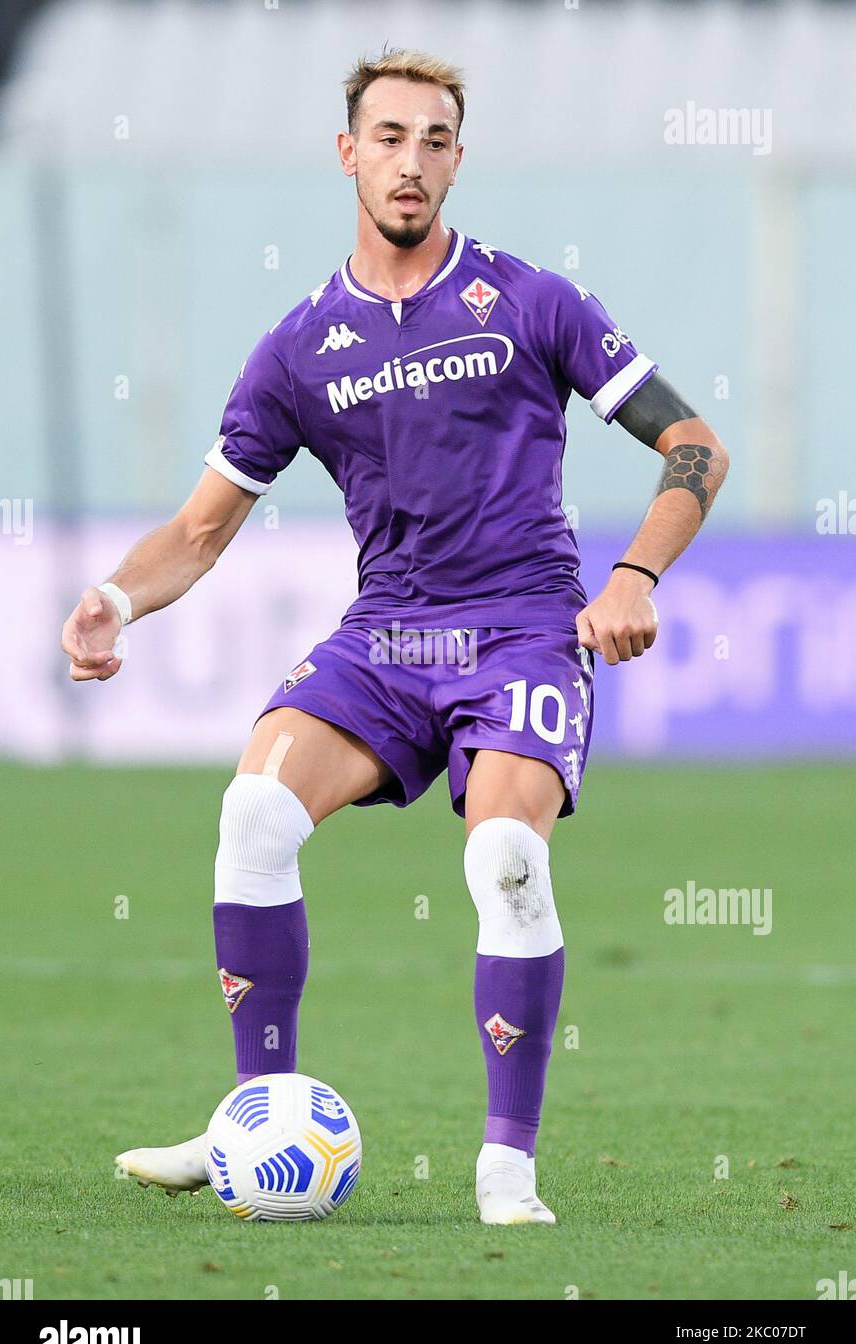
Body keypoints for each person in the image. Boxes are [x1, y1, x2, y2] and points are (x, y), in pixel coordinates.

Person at [61, 48, 728, 1224]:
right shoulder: (301, 346)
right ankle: (256, 1122)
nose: (410, 161)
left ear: (458, 160)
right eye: (388, 137)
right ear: (347, 152)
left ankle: (505, 1170)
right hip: (389, 636)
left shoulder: (534, 301)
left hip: (525, 627)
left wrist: (633, 574)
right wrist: (115, 598)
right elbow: (202, 530)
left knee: (504, 861)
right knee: (253, 812)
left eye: (434, 141)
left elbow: (695, 449)